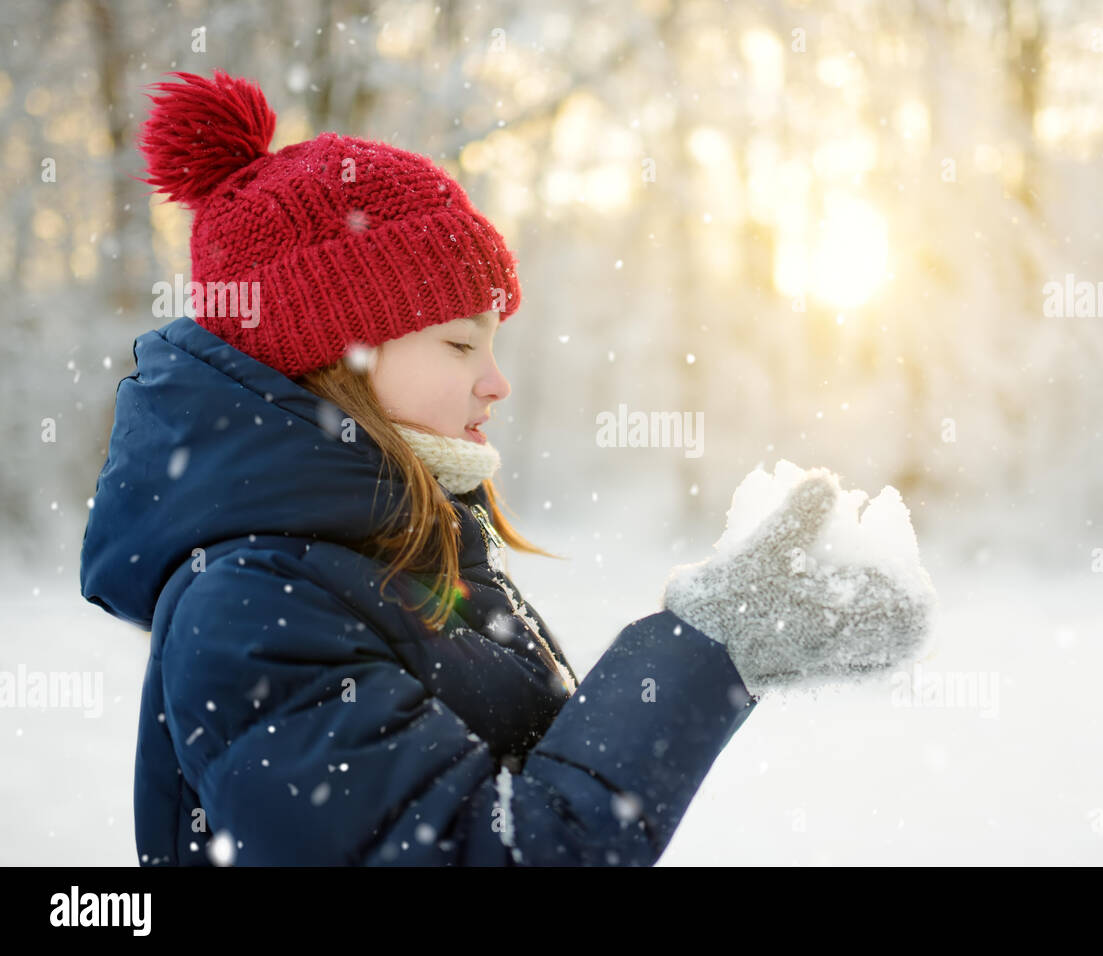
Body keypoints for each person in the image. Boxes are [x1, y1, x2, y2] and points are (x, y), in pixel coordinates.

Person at [79, 69, 930, 866]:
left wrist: (724, 653)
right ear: (336, 353)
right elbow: (491, 846)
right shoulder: (252, 607)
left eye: (493, 341)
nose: (497, 380)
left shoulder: (389, 551)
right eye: (458, 342)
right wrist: (702, 650)